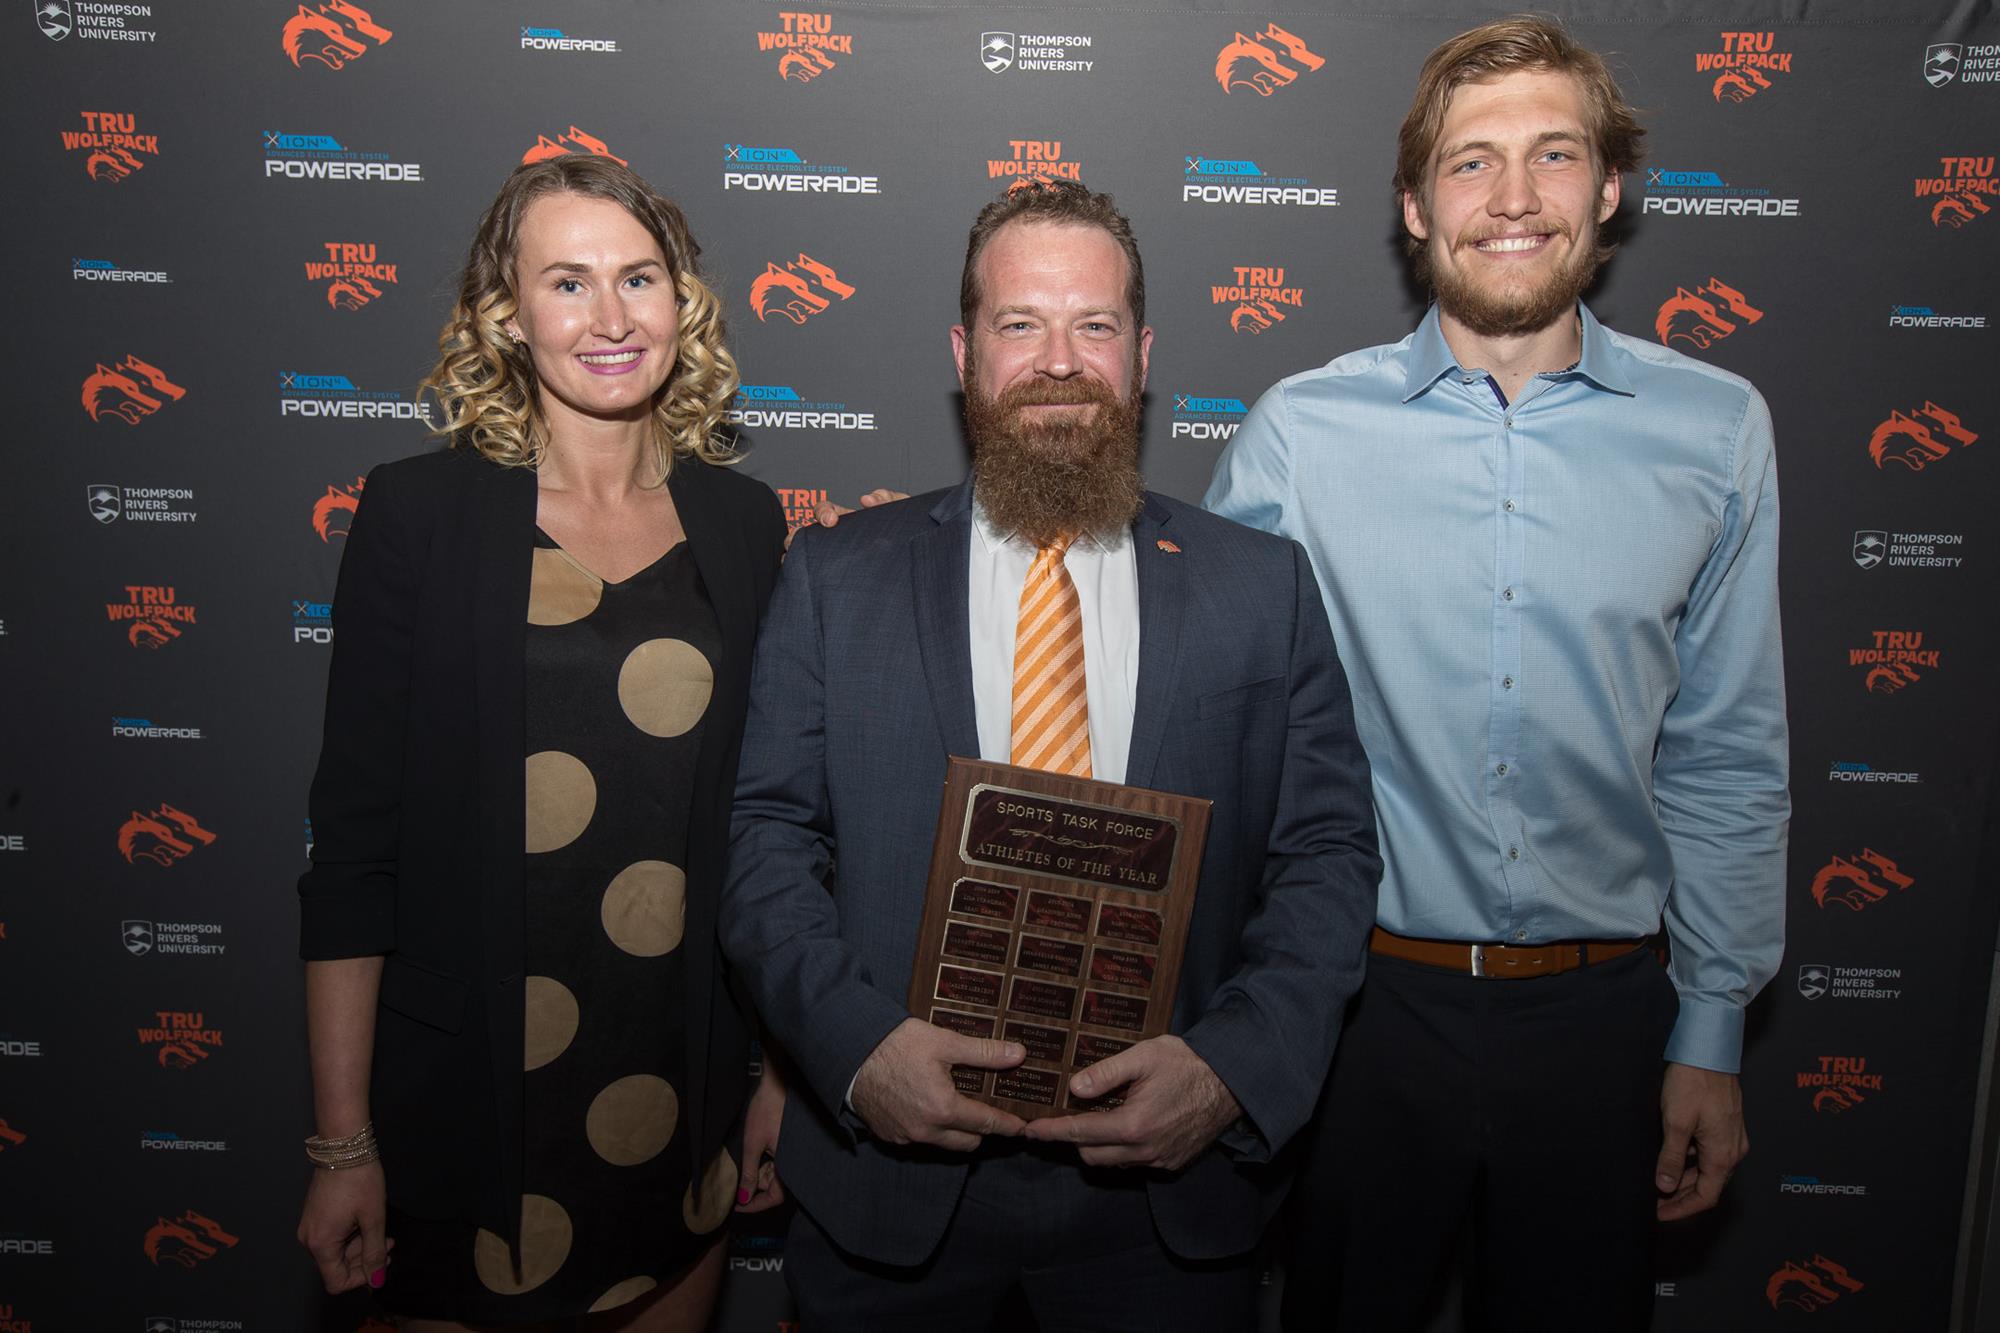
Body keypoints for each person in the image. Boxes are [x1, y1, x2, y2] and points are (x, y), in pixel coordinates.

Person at [1203, 17, 1788, 1331]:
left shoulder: (1719, 430)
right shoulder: (1302, 433)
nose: (1514, 200)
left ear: (1612, 190)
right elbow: (1207, 731)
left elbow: (1727, 752)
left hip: (1607, 1029)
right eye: (1473, 163)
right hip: (1359, 1017)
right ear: (1416, 205)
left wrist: (1707, 1031)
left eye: (1555, 154)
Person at [720, 180, 1380, 1330]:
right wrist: (854, 1049)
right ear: (964, 351)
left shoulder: (1256, 585)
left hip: (1167, 1206)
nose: (1058, 360)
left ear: (1141, 353)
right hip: (891, 1195)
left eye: (1094, 325)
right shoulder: (836, 577)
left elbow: (1325, 858)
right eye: (1021, 323)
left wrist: (1227, 1070)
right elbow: (766, 846)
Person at [295, 156, 786, 1329]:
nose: (611, 319)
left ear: (684, 304)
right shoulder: (419, 515)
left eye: (639, 279)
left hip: (678, 1092)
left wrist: (776, 1077)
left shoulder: (744, 521)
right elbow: (356, 848)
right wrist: (341, 1141)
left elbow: (771, 828)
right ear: (508, 315)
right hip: (469, 1114)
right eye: (567, 283)